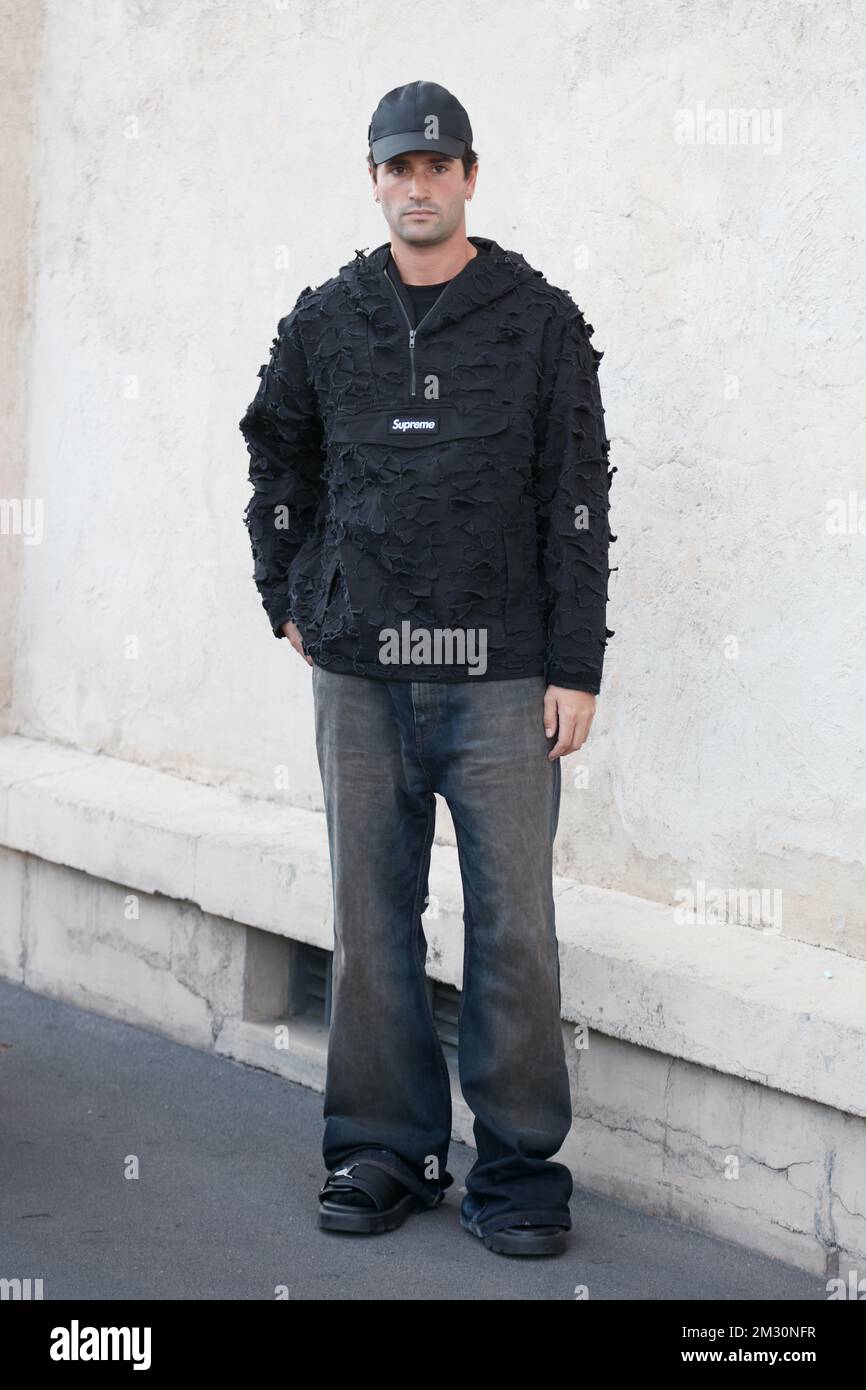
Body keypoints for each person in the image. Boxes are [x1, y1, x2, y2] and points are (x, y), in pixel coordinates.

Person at [239, 79, 615, 1257]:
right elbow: (277, 457)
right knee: (368, 917)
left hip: (501, 677)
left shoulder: (536, 319)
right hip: (359, 674)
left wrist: (573, 663)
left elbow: (575, 498)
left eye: (435, 166)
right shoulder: (326, 319)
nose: (417, 185)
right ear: (374, 180)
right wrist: (290, 596)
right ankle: (379, 1147)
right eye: (396, 167)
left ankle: (513, 1169)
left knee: (513, 927)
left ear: (468, 177)